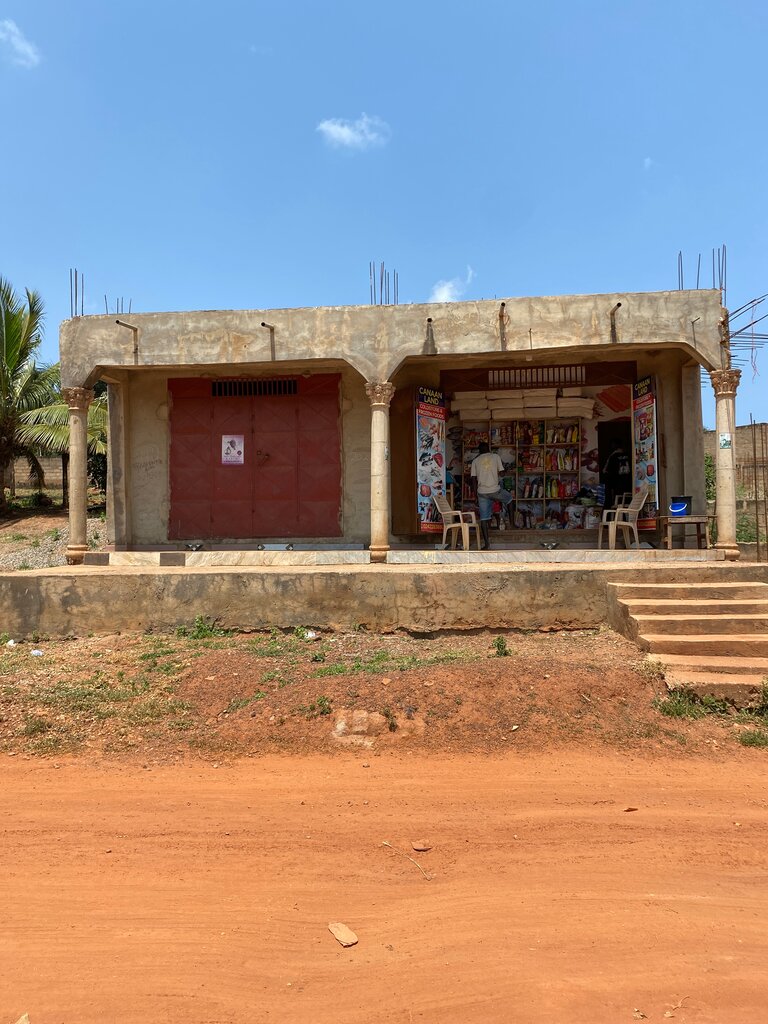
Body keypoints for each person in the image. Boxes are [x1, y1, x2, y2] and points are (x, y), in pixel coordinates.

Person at [470, 441, 513, 549]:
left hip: (482, 493)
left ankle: (486, 544)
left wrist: (476, 496)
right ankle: (512, 524)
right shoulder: (496, 457)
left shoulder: (475, 461)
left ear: (479, 451)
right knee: (510, 499)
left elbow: (473, 480)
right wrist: (506, 469)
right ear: (489, 448)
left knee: (484, 519)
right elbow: (502, 473)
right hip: (495, 490)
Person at [602, 441, 632, 509]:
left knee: (616, 503)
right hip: (630, 486)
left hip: (618, 487)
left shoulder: (613, 457)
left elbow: (605, 471)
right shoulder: (630, 455)